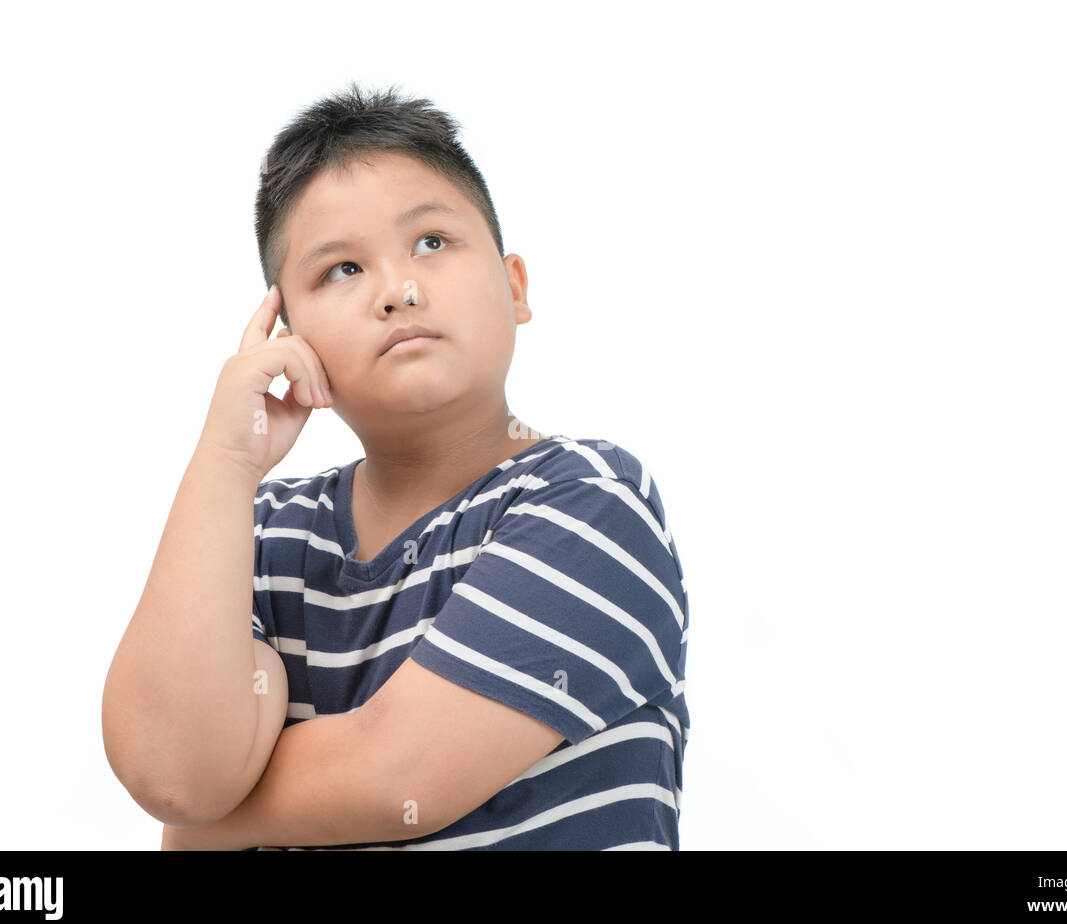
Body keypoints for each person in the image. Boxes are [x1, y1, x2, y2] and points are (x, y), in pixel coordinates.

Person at [102, 82, 689, 850]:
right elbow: (173, 770)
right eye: (341, 270)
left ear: (514, 288)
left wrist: (203, 825)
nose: (398, 289)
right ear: (290, 336)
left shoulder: (590, 503)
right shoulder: (262, 534)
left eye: (432, 243)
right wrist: (226, 460)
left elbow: (400, 777)